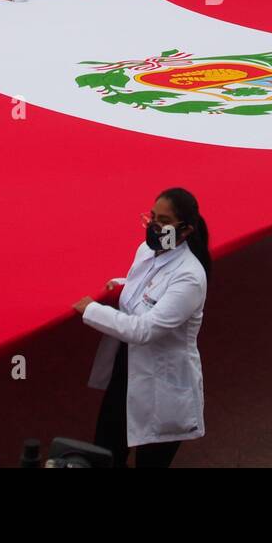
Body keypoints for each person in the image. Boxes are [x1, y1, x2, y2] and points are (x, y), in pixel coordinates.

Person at [76, 188, 209, 468]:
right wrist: (120, 286)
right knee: (105, 454)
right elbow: (143, 288)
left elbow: (144, 330)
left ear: (185, 230)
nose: (154, 226)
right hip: (126, 373)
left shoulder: (190, 277)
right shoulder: (147, 250)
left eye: (164, 220)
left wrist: (91, 310)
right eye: (152, 217)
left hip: (164, 387)